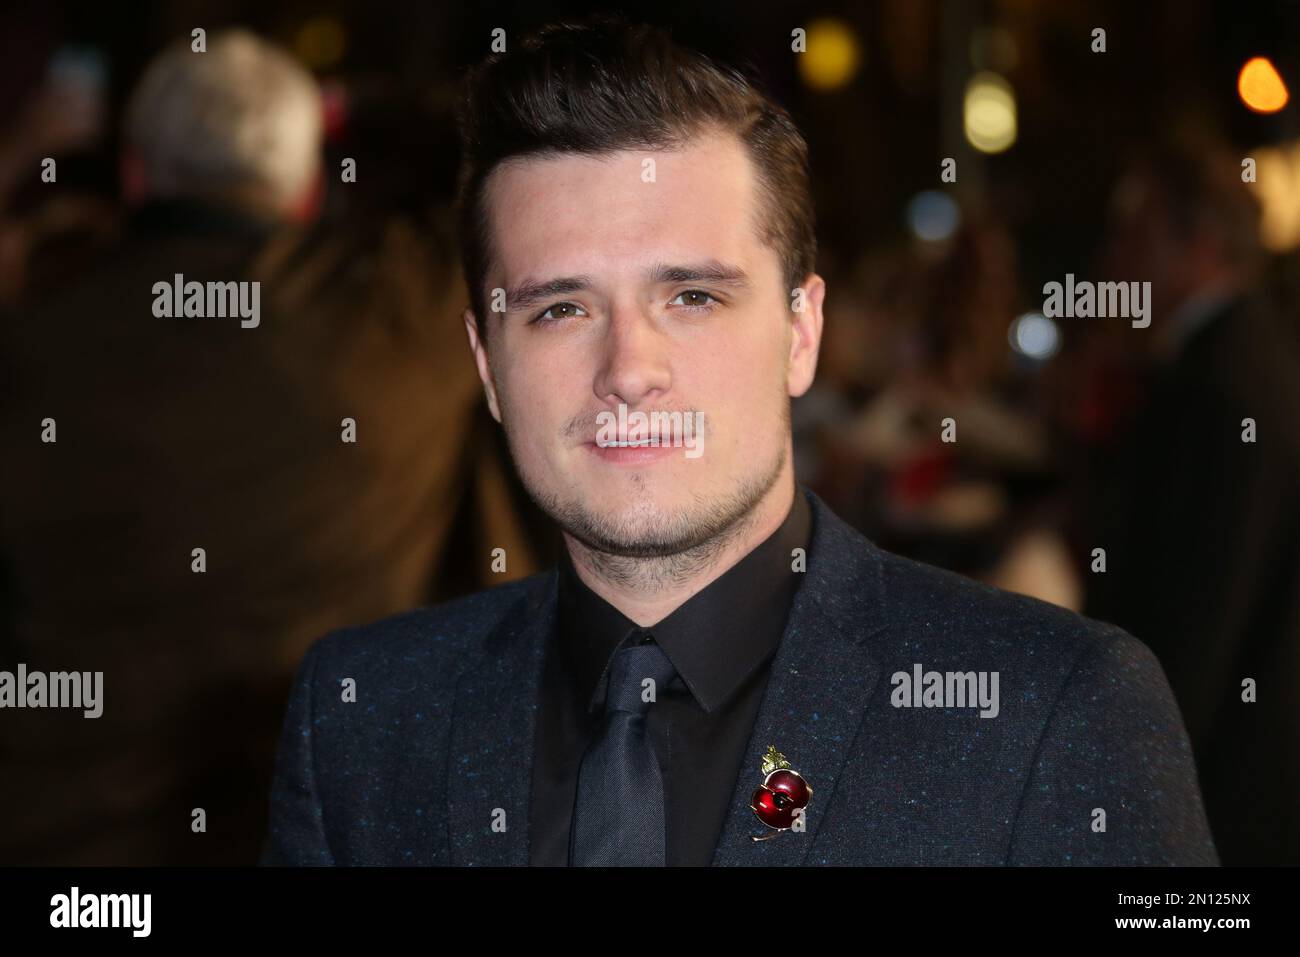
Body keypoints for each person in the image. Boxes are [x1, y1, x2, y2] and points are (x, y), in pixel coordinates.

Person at [263, 16, 1217, 866]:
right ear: (485, 365)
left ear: (802, 333)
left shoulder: (1055, 712)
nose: (629, 367)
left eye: (692, 296)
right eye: (560, 308)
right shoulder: (361, 718)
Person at [0, 29, 505, 864]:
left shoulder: (29, 345)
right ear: (308, 186)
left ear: (133, 173)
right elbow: (493, 142)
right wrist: (350, 105)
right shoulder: (408, 312)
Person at [1085, 136, 1300, 865]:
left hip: (1216, 804)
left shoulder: (1218, 388)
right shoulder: (1243, 358)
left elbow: (1193, 628)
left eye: (1134, 233)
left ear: (1198, 245)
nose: (1114, 258)